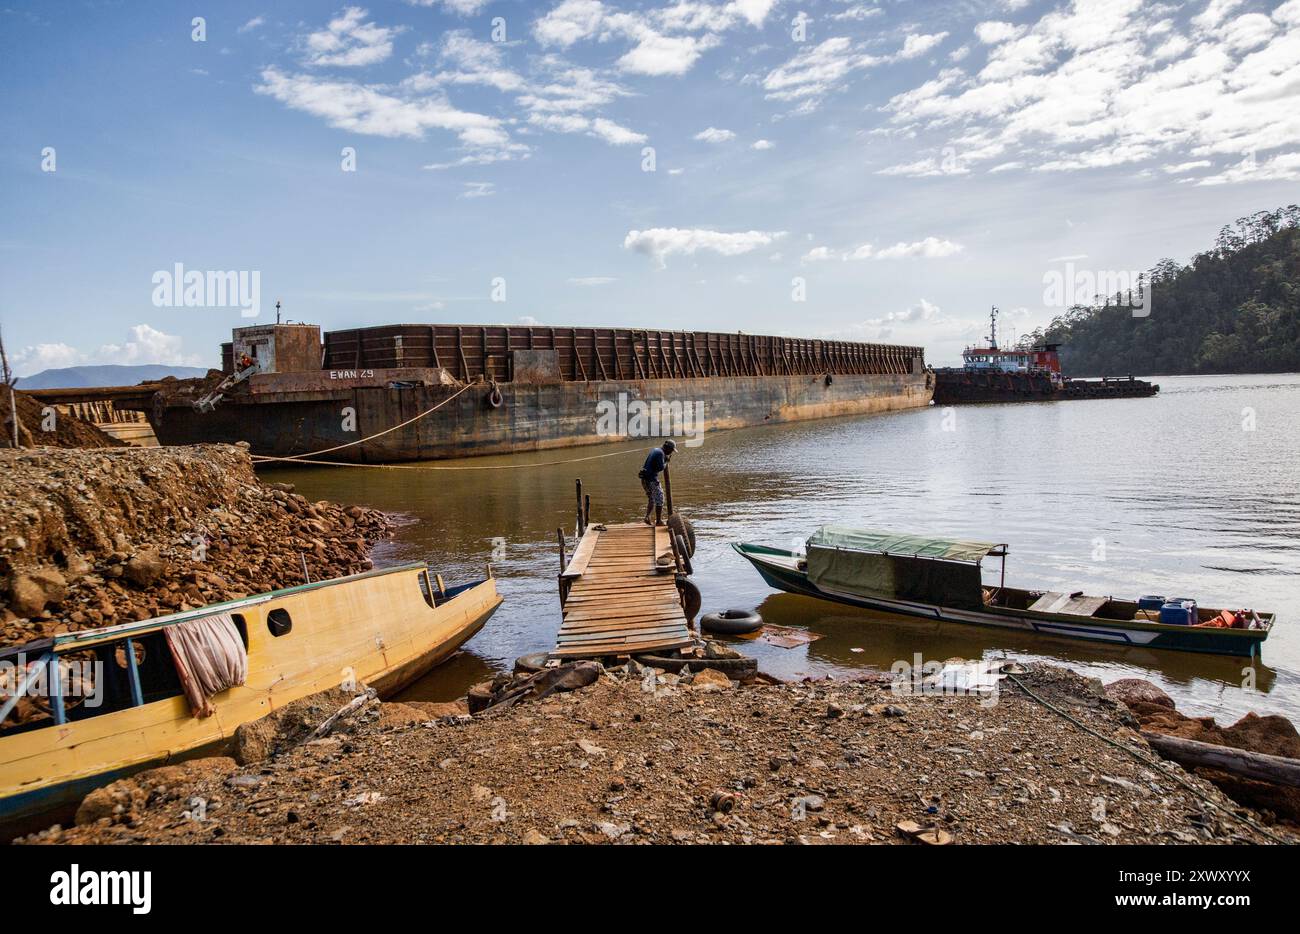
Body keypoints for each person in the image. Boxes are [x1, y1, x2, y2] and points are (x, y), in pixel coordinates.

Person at [639, 439, 675, 526]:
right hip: (651, 480)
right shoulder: (660, 453)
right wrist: (666, 461)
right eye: (671, 451)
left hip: (644, 479)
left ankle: (647, 517)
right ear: (668, 448)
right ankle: (658, 521)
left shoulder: (656, 450)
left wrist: (664, 459)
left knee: (652, 498)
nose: (671, 453)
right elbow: (660, 468)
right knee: (660, 498)